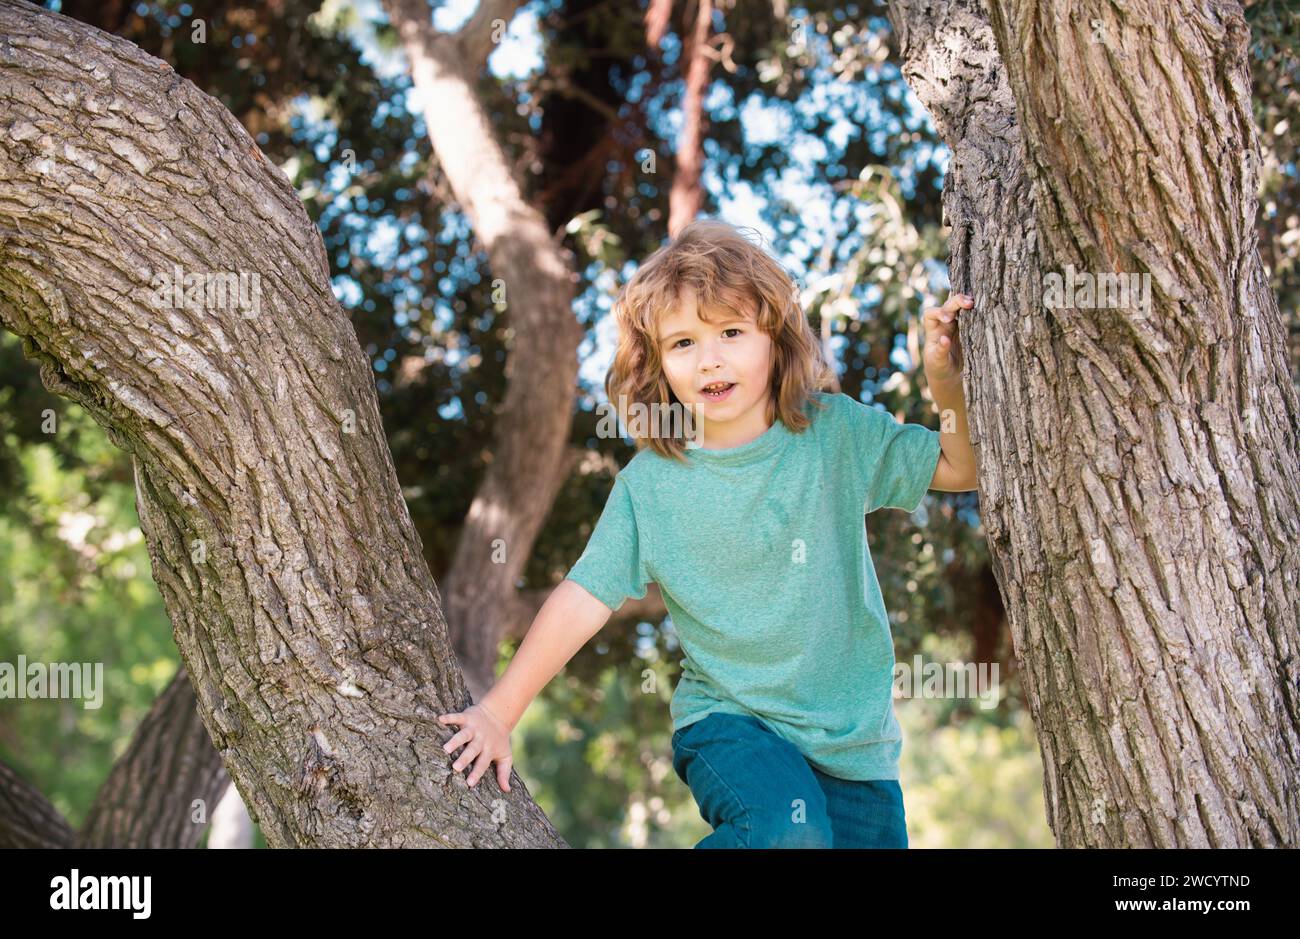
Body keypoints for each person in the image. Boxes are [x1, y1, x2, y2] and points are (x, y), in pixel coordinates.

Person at [437, 218, 978, 848]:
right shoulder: (653, 486)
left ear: (775, 337)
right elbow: (582, 599)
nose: (710, 358)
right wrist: (498, 713)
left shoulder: (837, 437)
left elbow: (959, 467)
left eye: (730, 331)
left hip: (856, 752)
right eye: (683, 343)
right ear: (657, 363)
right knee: (785, 832)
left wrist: (946, 386)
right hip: (732, 723)